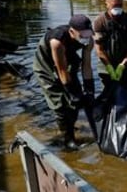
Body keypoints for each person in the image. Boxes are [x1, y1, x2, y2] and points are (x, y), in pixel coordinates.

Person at [32, 14, 95, 150]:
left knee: (76, 102)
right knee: (60, 102)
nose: (87, 37)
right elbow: (61, 71)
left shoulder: (89, 41)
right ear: (72, 32)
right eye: (83, 34)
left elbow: (87, 66)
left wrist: (89, 90)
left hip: (68, 57)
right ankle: (67, 137)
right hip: (47, 64)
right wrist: (72, 93)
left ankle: (70, 124)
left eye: (89, 34)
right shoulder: (57, 41)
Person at [93, 0, 127, 92]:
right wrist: (109, 67)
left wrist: (122, 65)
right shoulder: (99, 21)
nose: (118, 8)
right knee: (109, 94)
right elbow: (99, 49)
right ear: (107, 4)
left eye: (120, 5)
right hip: (106, 64)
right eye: (115, 5)